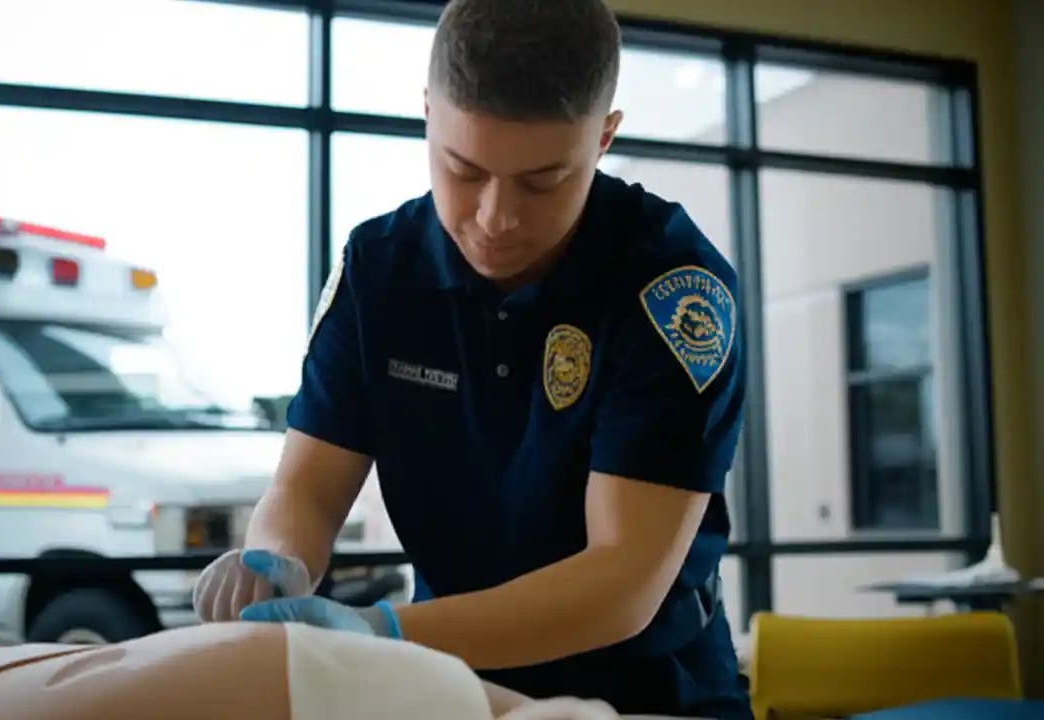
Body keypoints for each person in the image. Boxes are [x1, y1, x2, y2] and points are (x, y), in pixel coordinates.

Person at [193, 0, 750, 717]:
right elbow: (309, 488)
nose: (495, 218)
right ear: (428, 114)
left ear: (605, 136)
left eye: (543, 181)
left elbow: (622, 583)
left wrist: (382, 632)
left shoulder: (672, 289)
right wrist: (275, 564)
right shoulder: (378, 270)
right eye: (463, 169)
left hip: (646, 690)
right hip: (448, 678)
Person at [0, 624, 622, 719]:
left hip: (310, 684)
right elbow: (312, 469)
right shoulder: (382, 259)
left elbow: (628, 575)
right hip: (302, 686)